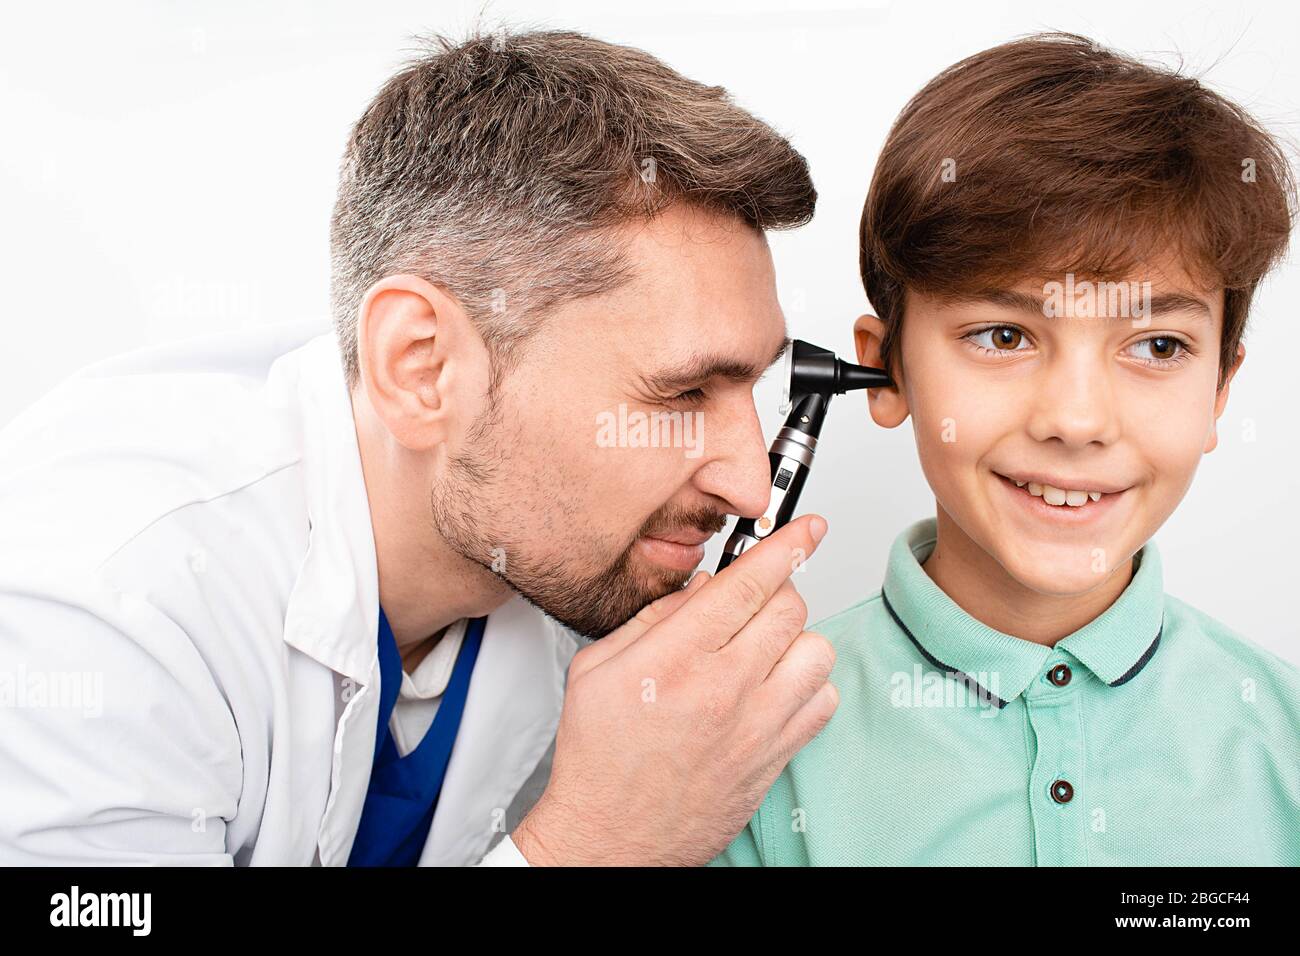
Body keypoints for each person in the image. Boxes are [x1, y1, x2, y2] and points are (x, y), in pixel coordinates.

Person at [0, 29, 839, 866]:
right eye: (683, 393)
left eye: (752, 390)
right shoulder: (97, 608)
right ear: (421, 367)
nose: (751, 488)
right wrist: (597, 843)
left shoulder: (564, 579)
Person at [711, 32, 1300, 866]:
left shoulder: (1285, 740)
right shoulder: (738, 753)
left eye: (1159, 347)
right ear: (885, 373)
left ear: (1221, 392)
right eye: (1002, 335)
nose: (1077, 419)